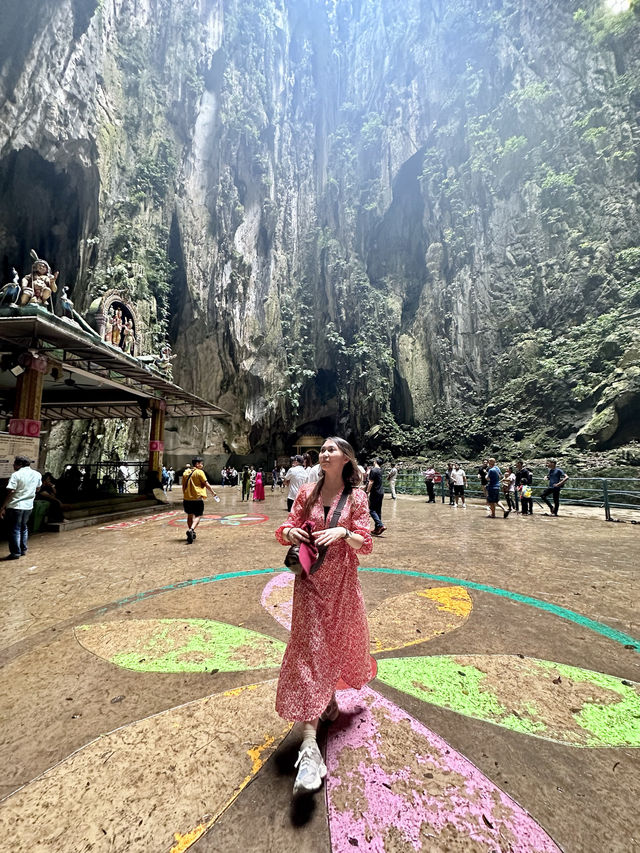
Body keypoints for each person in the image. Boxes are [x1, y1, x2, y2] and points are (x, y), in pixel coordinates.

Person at [275, 437, 373, 796]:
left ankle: (326, 700)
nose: (324, 453)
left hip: (343, 587)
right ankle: (309, 746)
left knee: (332, 646)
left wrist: (345, 532)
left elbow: (367, 541)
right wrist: (291, 531)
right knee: (309, 651)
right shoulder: (307, 494)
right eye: (323, 450)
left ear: (346, 458)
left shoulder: (357, 498)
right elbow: (284, 528)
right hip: (311, 585)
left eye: (332, 449)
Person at [0, 456, 42, 559]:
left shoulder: (16, 475)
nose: (13, 465)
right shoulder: (37, 474)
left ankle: (15, 552)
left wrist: (3, 506)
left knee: (14, 529)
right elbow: (38, 488)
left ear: (19, 465)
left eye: (14, 464)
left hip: (15, 506)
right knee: (23, 527)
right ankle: (23, 549)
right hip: (28, 506)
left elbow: (11, 491)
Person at [181, 456, 218, 544]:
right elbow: (206, 484)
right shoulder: (200, 472)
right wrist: (213, 492)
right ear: (197, 464)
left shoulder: (186, 472)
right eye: (201, 463)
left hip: (187, 498)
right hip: (197, 498)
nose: (202, 465)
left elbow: (183, 486)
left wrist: (185, 494)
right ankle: (191, 529)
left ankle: (191, 531)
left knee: (189, 515)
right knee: (198, 515)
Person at [367, 457, 386, 535]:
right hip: (381, 492)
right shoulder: (380, 470)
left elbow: (371, 482)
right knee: (378, 511)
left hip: (375, 492)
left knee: (371, 510)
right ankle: (377, 528)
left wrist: (367, 491)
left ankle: (380, 525)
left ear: (375, 462)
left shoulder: (374, 470)